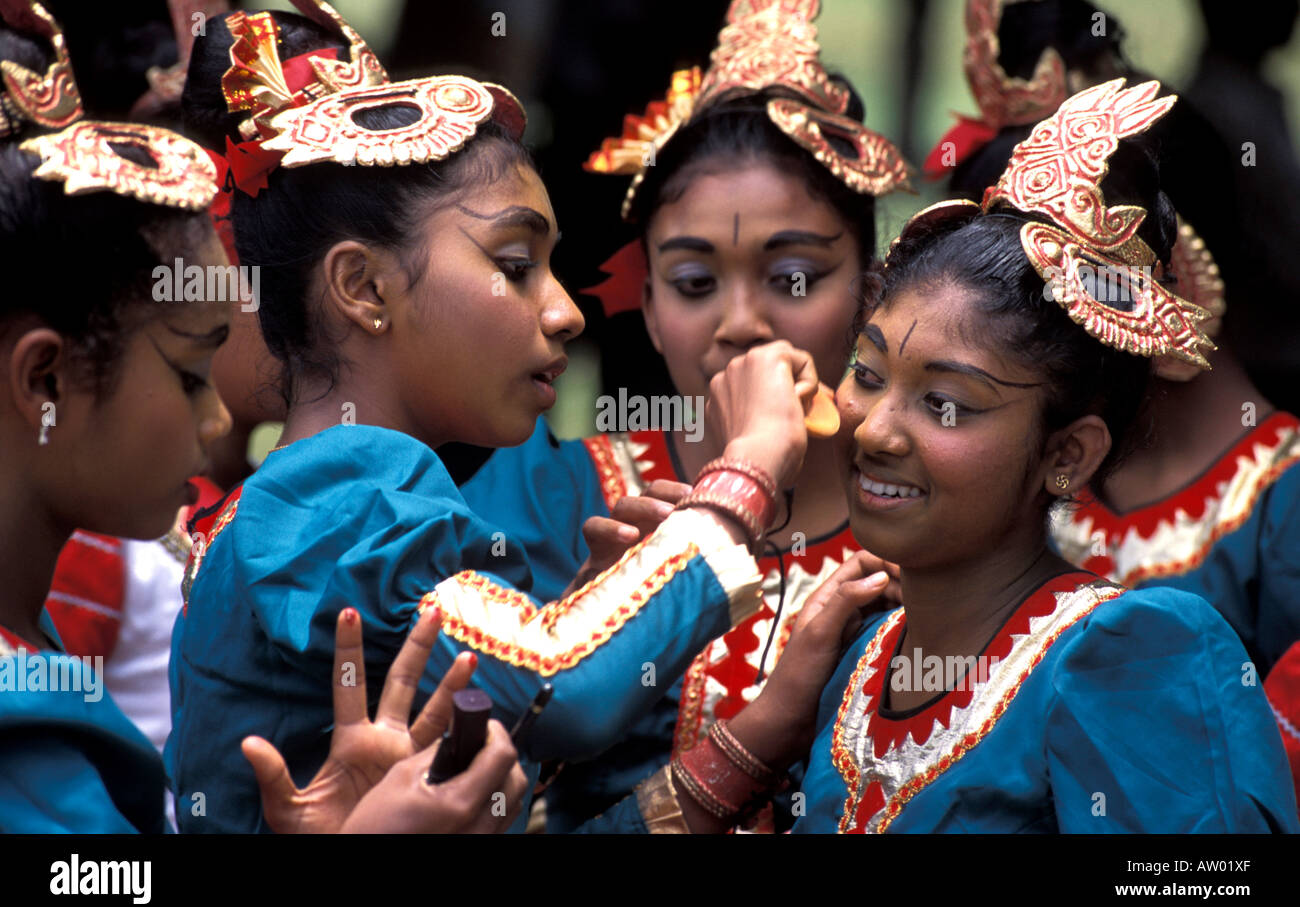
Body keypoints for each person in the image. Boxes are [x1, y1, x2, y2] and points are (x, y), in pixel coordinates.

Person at [169, 0, 822, 833]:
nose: (566, 314)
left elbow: (520, 714)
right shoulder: (341, 495)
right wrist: (749, 469)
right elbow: (563, 686)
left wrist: (583, 604)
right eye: (514, 266)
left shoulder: (325, 502)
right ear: (365, 288)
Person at [580, 79, 1298, 834]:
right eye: (865, 374)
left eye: (945, 404)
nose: (876, 430)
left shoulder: (1132, 653)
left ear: (1069, 454)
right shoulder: (854, 663)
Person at [0, 0, 524, 834]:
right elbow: (560, 689)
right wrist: (730, 505)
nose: (211, 419)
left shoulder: (44, 648)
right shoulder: (27, 710)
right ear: (46, 377)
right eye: (185, 370)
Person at [545, 0, 909, 832]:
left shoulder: (943, 509)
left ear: (871, 291)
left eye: (791, 278)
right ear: (644, 302)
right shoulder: (559, 494)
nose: (739, 323)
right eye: (695, 283)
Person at [929, 0, 1300, 679]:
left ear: (1173, 281)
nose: (1011, 337)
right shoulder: (1040, 476)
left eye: (1046, 293)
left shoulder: (1284, 507)